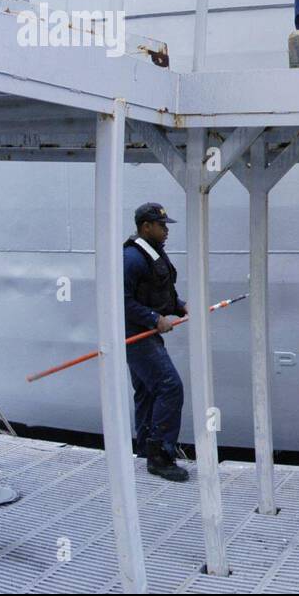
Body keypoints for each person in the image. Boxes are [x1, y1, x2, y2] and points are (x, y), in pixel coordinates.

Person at [123, 203, 189, 483]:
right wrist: (154, 319)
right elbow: (122, 301)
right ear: (145, 227)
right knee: (170, 387)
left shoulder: (152, 255)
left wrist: (179, 306)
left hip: (147, 335)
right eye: (161, 226)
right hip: (135, 337)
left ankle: (146, 448)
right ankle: (161, 455)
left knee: (149, 392)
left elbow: (158, 291)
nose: (166, 231)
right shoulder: (131, 259)